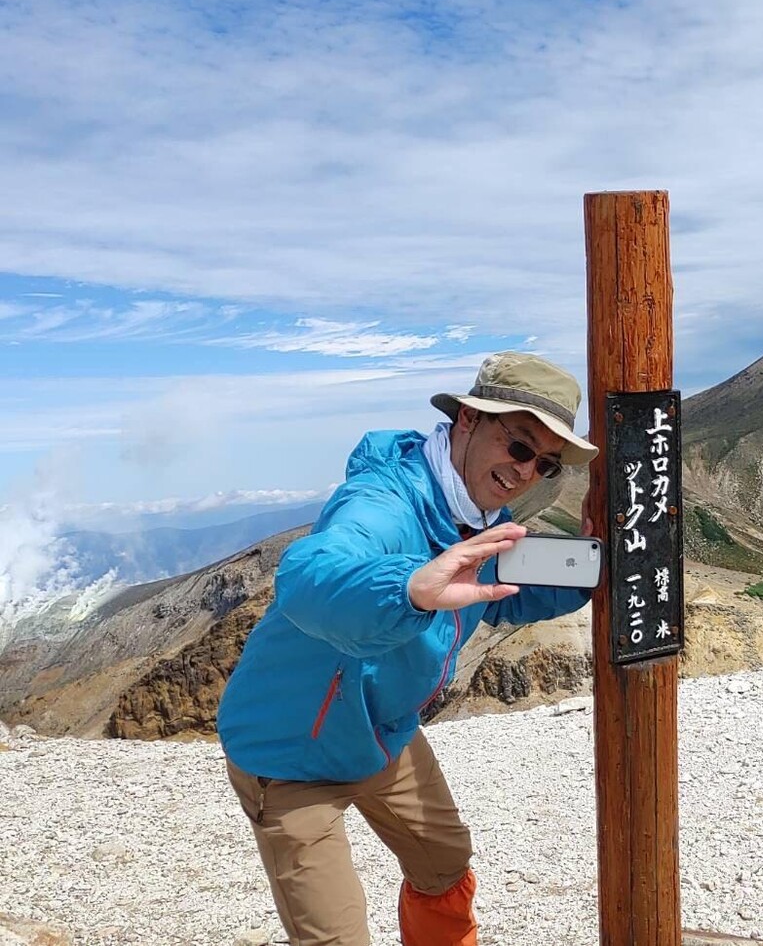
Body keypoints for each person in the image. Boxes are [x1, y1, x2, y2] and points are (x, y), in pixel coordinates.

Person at [217, 352, 598, 946]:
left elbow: (493, 599)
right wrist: (408, 589)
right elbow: (310, 576)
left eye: (545, 464)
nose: (526, 472)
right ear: (468, 420)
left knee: (444, 866)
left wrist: (595, 574)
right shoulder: (384, 503)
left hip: (383, 731)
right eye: (519, 446)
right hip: (290, 753)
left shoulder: (475, 518)